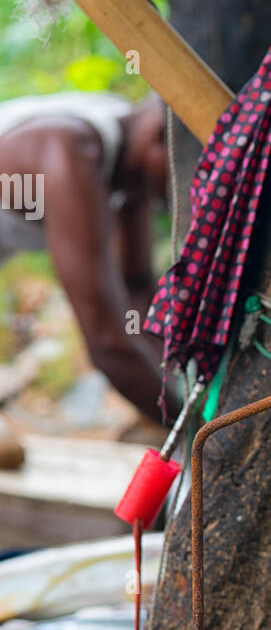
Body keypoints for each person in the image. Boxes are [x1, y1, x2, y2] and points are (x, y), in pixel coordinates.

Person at [0, 90, 178, 423]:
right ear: (160, 139)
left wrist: (181, 377)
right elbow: (107, 341)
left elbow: (136, 288)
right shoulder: (70, 149)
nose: (180, 194)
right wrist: (196, 427)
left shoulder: (129, 152)